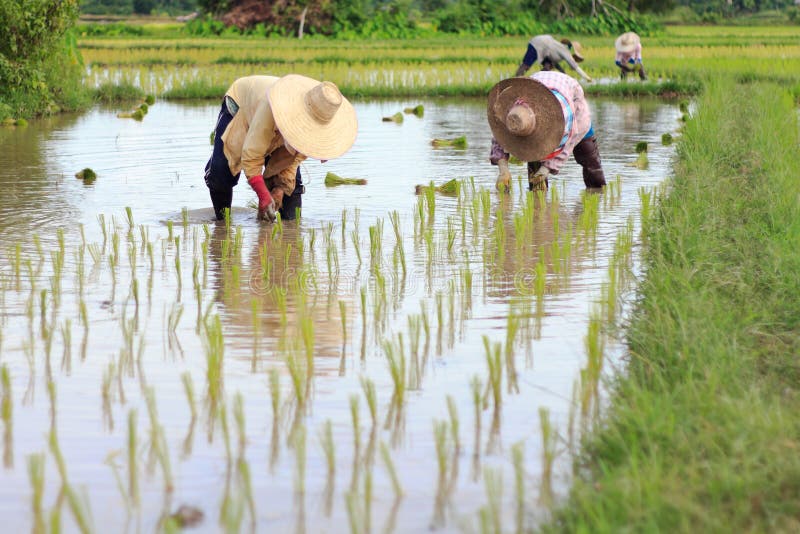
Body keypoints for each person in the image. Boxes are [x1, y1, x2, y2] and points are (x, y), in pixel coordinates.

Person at [204, 74, 358, 222]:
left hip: (278, 122)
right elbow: (251, 156)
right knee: (221, 172)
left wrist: (279, 189)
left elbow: (294, 157)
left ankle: (289, 234)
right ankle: (222, 226)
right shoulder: (270, 109)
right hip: (243, 106)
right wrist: (263, 194)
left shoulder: (317, 123)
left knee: (291, 191)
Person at [489, 71, 606, 193]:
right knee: (535, 173)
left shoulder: (562, 115)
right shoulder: (512, 113)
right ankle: (538, 202)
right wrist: (503, 170)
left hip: (568, 95)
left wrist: (546, 169)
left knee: (588, 156)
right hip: (535, 88)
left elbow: (570, 141)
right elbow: (499, 136)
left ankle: (598, 191)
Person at [515, 35, 593, 83]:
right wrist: (587, 78)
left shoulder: (558, 48)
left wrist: (564, 74)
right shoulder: (565, 51)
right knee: (526, 65)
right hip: (538, 44)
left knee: (548, 66)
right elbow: (576, 67)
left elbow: (556, 65)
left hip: (542, 44)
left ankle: (539, 81)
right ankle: (515, 80)